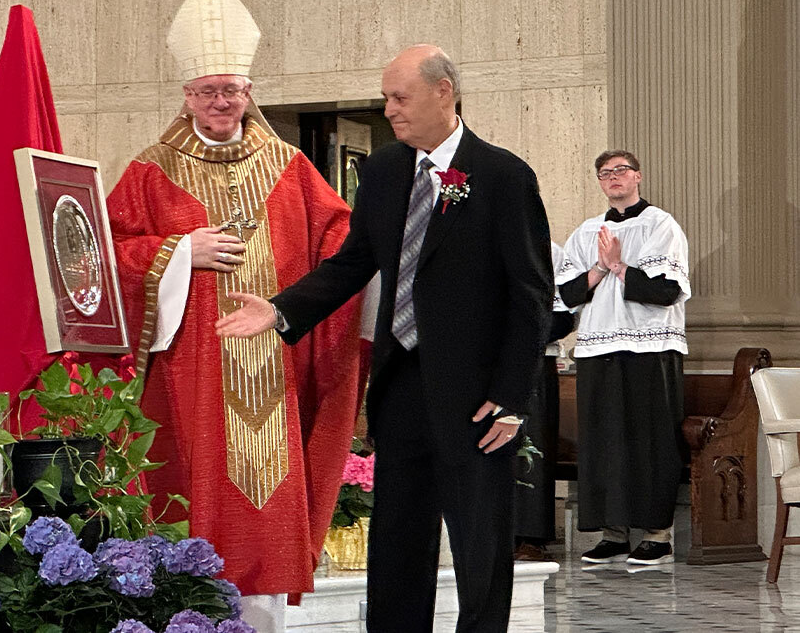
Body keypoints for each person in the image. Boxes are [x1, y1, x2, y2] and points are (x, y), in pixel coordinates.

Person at [216, 44, 553, 633]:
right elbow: (354, 263)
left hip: (478, 398)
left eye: (400, 98)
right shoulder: (386, 170)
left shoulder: (503, 176)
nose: (390, 110)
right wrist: (279, 310)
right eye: (387, 99)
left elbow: (530, 297)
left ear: (443, 90)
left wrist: (512, 397)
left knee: (480, 543)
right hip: (401, 389)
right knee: (397, 538)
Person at [107, 0, 362, 633]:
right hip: (184, 383)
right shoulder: (149, 170)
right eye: (207, 91)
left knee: (264, 517)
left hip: (273, 378)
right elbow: (105, 259)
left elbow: (344, 246)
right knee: (184, 503)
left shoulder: (290, 167)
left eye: (232, 91)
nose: (221, 102)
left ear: (250, 93)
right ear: (186, 95)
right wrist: (173, 254)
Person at [557, 150, 690, 566]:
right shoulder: (586, 231)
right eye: (604, 173)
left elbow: (666, 290)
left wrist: (619, 266)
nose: (612, 178)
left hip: (650, 347)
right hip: (598, 347)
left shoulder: (660, 225)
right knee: (603, 442)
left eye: (620, 171)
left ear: (638, 176)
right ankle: (613, 532)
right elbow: (565, 295)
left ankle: (658, 533)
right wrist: (599, 269)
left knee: (648, 440)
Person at [513, 241, 576, 562]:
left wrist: (520, 335)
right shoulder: (472, 240)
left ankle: (531, 536)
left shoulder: (549, 250)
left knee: (532, 445)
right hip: (482, 363)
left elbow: (564, 318)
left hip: (534, 362)